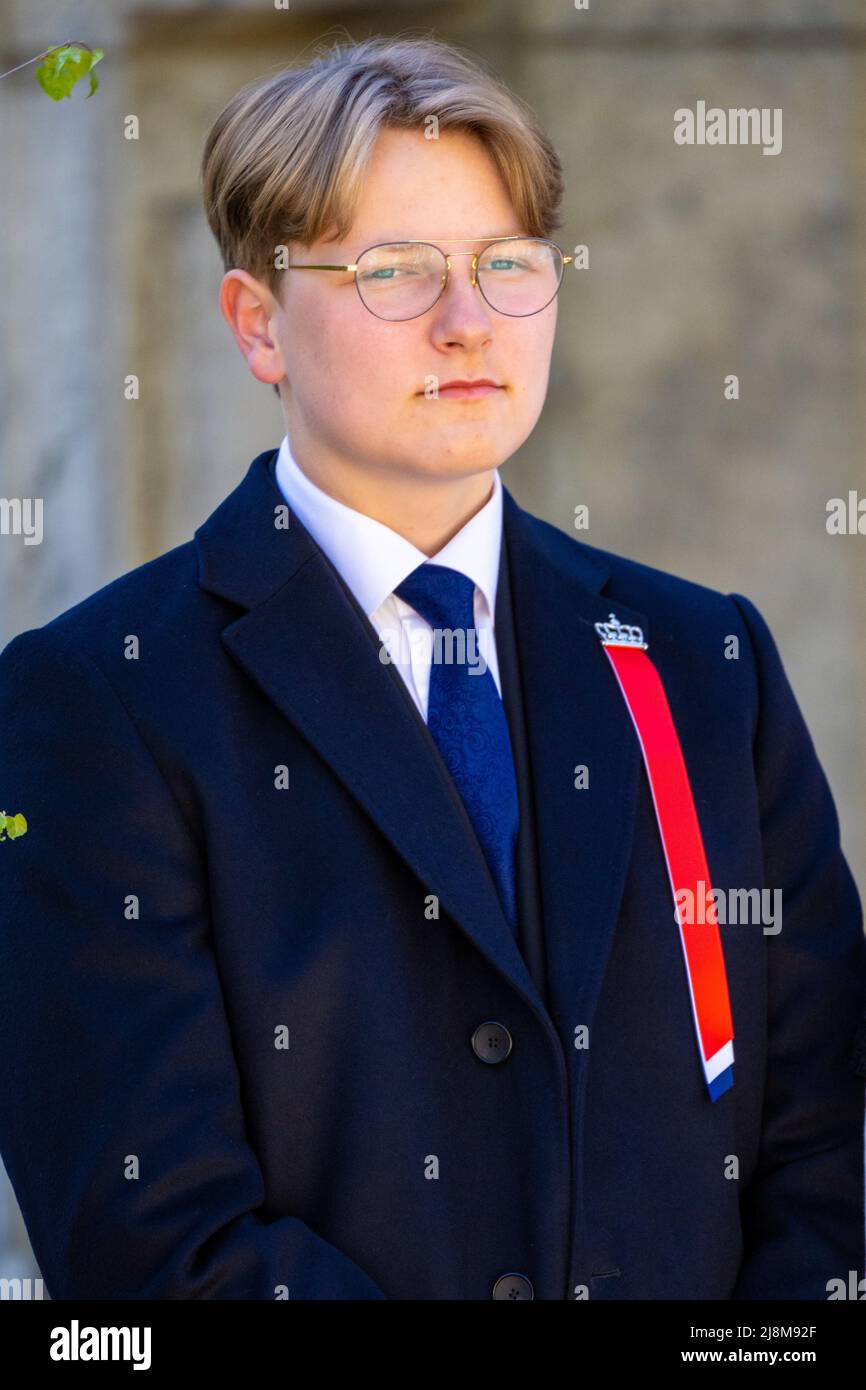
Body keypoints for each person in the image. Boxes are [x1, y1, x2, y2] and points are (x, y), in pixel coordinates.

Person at [1, 34, 864, 1302]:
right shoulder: (97, 702)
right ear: (258, 324)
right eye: (396, 272)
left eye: (507, 264)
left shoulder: (703, 663)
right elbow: (154, 1244)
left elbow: (822, 1140)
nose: (469, 323)